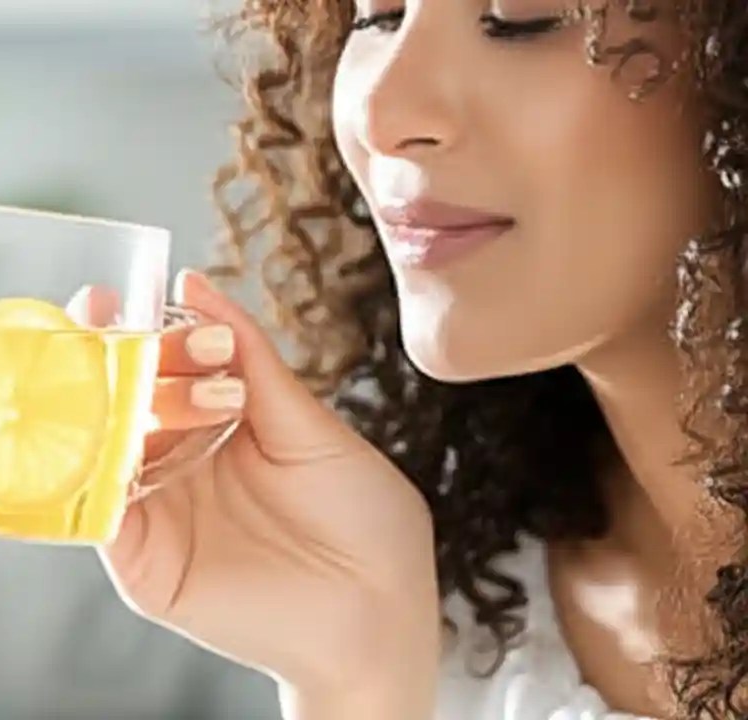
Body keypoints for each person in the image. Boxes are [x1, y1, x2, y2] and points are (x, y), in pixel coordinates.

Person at [103, 1, 748, 718]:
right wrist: (352, 677)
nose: (383, 112)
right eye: (378, 15)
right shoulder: (469, 604)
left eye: (520, 17)